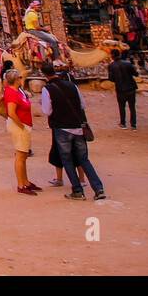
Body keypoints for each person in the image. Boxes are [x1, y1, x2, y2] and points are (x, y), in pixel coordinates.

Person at [40, 63, 106, 200]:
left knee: (67, 160)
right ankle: (98, 188)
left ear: (43, 74)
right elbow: (82, 105)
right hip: (77, 127)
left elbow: (47, 111)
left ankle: (77, 190)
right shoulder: (73, 86)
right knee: (84, 159)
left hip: (62, 128)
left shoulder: (47, 89)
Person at [2, 69, 38, 195]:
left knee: (23, 155)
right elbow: (11, 112)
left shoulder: (17, 90)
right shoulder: (12, 93)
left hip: (22, 125)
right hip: (19, 126)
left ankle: (25, 181)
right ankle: (21, 185)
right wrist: (21, 126)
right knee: (21, 156)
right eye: (20, 77)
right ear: (16, 79)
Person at [107, 48, 138, 129]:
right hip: (131, 88)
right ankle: (133, 125)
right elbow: (136, 74)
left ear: (112, 56)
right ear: (119, 54)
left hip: (120, 89)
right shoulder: (127, 63)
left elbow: (111, 79)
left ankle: (123, 123)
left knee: (121, 107)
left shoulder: (111, 66)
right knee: (132, 107)